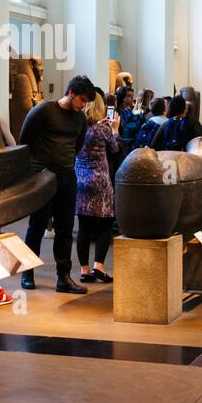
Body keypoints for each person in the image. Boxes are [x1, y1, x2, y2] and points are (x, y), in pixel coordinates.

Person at [17, 75, 95, 294]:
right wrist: (35, 171)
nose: (83, 106)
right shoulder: (44, 111)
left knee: (65, 229)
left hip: (67, 177)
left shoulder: (79, 119)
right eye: (81, 100)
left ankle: (64, 277)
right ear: (70, 93)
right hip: (43, 177)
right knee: (37, 226)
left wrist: (65, 165)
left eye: (86, 102)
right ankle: (27, 271)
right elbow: (24, 141)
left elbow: (77, 145)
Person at [75, 89, 119, 284]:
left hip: (80, 179)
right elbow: (116, 149)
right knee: (105, 224)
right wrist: (115, 130)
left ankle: (84, 271)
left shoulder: (78, 126)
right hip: (100, 180)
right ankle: (98, 267)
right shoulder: (102, 129)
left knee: (84, 227)